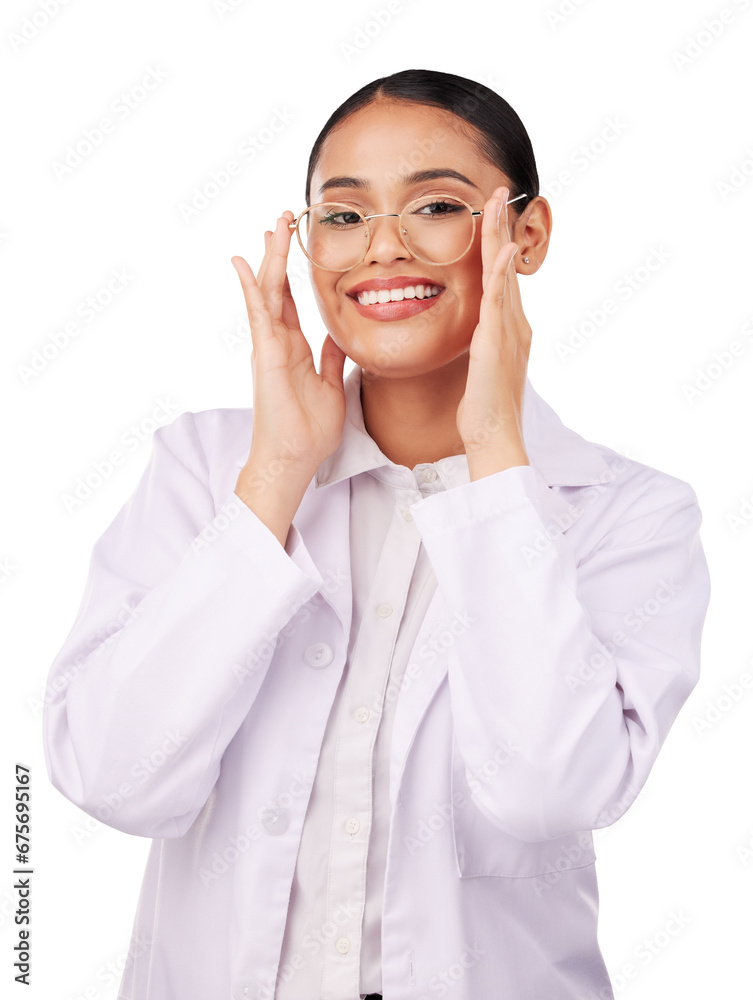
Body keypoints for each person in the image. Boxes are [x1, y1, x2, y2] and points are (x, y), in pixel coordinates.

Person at [42, 68, 711, 1000]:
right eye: (345, 216)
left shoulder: (628, 513)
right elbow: (114, 778)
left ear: (526, 233)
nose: (382, 251)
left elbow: (546, 792)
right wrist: (272, 483)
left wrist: (493, 460)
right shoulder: (205, 470)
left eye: (435, 206)